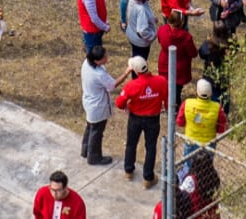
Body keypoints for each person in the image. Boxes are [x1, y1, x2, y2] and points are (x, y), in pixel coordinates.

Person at [114, 55, 168, 187]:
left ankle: (128, 170)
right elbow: (167, 99)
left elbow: (119, 103)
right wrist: (165, 108)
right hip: (153, 119)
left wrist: (126, 106)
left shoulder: (131, 85)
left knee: (131, 144)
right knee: (150, 147)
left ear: (135, 71)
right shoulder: (161, 81)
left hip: (135, 119)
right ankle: (148, 178)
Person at [78, 45, 115, 167]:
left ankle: (85, 150)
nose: (106, 58)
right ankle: (94, 156)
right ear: (97, 60)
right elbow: (112, 85)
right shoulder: (99, 74)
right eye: (104, 57)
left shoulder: (86, 64)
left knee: (90, 127)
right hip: (97, 106)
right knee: (96, 132)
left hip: (89, 102)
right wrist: (126, 73)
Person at [176, 79, 228, 154]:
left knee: (188, 164)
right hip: (209, 144)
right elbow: (221, 129)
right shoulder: (217, 107)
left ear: (197, 92)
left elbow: (180, 122)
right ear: (210, 93)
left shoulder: (187, 103)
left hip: (191, 141)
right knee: (207, 165)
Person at [155, 11, 195, 101]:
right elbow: (193, 53)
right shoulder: (186, 37)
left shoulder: (162, 29)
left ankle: (166, 101)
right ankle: (175, 106)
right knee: (177, 89)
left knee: (165, 84)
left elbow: (159, 40)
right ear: (181, 23)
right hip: (179, 68)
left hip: (164, 62)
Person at [124, 0, 158, 65]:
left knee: (135, 58)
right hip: (140, 42)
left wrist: (152, 18)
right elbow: (142, 31)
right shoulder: (141, 9)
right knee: (140, 63)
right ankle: (137, 76)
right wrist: (153, 36)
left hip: (131, 34)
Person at [197, 26, 231, 109]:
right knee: (224, 93)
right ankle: (224, 111)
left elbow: (201, 53)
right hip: (224, 75)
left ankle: (214, 111)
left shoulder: (209, 44)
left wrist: (207, 41)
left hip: (210, 75)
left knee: (212, 94)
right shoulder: (230, 43)